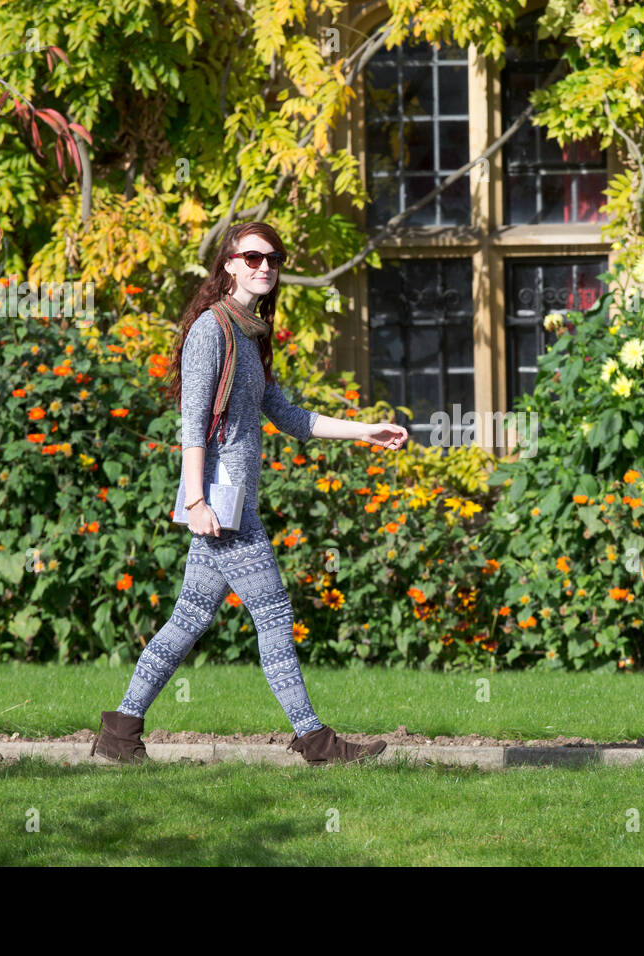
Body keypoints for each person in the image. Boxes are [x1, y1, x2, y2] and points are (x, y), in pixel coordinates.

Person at [90, 221, 408, 767]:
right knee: (274, 613)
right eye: (254, 257)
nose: (266, 266)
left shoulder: (250, 332)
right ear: (230, 265)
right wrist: (196, 503)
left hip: (229, 502)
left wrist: (365, 430)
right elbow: (192, 425)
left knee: (188, 621)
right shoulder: (210, 331)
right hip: (219, 506)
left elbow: (286, 415)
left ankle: (121, 731)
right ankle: (316, 741)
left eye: (274, 259)